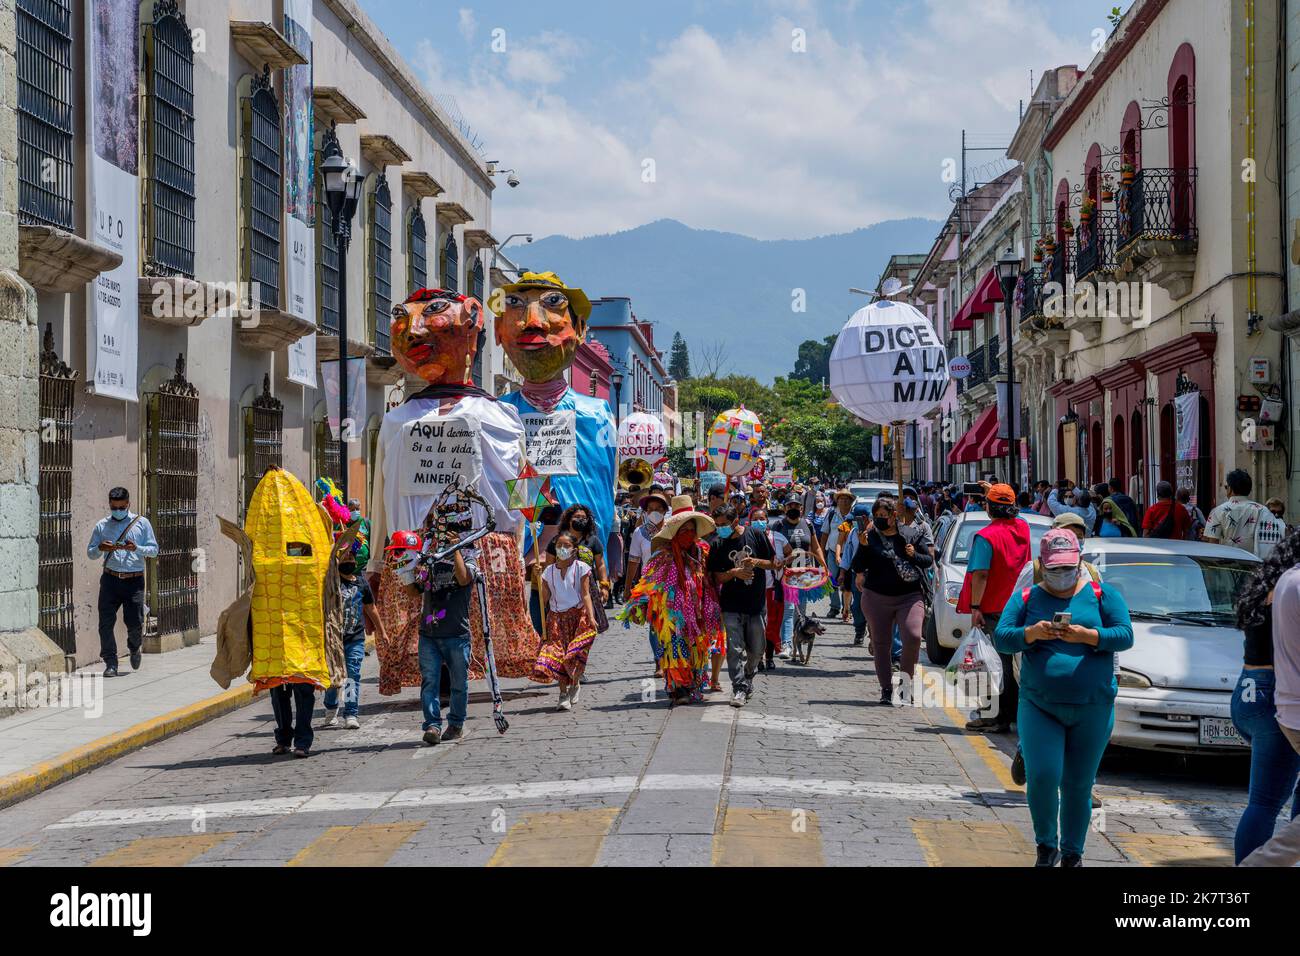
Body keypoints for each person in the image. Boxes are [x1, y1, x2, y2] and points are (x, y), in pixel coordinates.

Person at [994, 529, 1134, 866]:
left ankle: (1073, 853)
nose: (1061, 574)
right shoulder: (1027, 597)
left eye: (1067, 567)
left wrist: (1090, 636)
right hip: (1040, 705)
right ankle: (1046, 846)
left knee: (1078, 785)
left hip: (1093, 707)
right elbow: (1003, 637)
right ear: (1042, 565)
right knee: (1044, 776)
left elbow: (1125, 635)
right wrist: (1032, 633)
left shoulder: (1103, 594)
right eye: (1054, 569)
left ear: (1080, 562)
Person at [1229, 527, 1300, 862]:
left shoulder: (1264, 586)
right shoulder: (1294, 587)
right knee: (1266, 802)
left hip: (1247, 689)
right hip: (1276, 695)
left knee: (1263, 800)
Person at [619, 496, 723, 703]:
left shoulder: (703, 551)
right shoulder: (663, 555)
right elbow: (649, 581)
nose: (688, 534)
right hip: (671, 614)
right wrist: (637, 601)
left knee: (697, 649)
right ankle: (679, 689)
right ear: (675, 531)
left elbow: (711, 577)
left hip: (699, 610)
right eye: (683, 530)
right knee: (675, 649)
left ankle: (692, 683)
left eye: (692, 530)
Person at [956, 483, 1032, 733]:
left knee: (994, 666)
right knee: (1011, 664)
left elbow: (980, 576)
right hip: (1019, 606)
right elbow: (1014, 512)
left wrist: (975, 607)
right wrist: (995, 492)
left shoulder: (986, 537)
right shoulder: (1022, 527)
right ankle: (1009, 713)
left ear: (988, 508)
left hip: (992, 609)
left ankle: (995, 716)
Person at [851, 496, 932, 705]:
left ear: (894, 516)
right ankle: (886, 689)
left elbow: (928, 561)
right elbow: (858, 564)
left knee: (913, 637)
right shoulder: (869, 537)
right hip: (877, 597)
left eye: (883, 516)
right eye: (876, 516)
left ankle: (906, 685)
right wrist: (863, 547)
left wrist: (913, 554)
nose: (879, 519)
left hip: (909, 596)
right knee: (881, 644)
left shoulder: (910, 535)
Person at [409, 530, 477, 746]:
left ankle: (456, 724)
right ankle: (432, 725)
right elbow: (413, 591)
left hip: (457, 632)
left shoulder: (469, 555)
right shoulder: (428, 558)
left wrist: (455, 548)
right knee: (430, 681)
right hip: (428, 633)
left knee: (459, 683)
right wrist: (403, 569)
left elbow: (464, 578)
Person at [707, 506, 777, 707]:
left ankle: (748, 676)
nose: (719, 528)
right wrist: (733, 573)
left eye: (723, 524)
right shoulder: (717, 543)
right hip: (731, 604)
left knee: (757, 649)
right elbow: (714, 577)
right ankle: (738, 688)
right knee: (734, 649)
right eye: (717, 525)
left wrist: (756, 562)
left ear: (736, 521)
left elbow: (774, 563)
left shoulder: (755, 534)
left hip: (755, 604)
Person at [87, 487, 160, 677]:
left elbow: (154, 550)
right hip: (110, 580)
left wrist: (136, 548)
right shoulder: (102, 526)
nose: (117, 510)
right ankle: (110, 662)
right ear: (110, 505)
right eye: (114, 507)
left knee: (134, 622)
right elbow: (91, 552)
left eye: (121, 507)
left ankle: (134, 646)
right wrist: (100, 548)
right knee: (105, 623)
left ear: (128, 504)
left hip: (134, 581)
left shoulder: (142, 524)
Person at [533, 530, 599, 711]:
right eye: (559, 545)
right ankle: (563, 693)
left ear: (574, 549)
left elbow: (585, 594)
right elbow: (544, 599)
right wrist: (538, 580)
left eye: (566, 545)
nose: (562, 548)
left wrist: (591, 617)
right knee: (558, 656)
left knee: (574, 655)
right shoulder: (548, 572)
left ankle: (575, 682)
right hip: (556, 619)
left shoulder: (581, 568)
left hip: (577, 617)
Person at [323, 556, 387, 729]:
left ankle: (351, 713)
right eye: (344, 557)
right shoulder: (330, 582)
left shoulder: (361, 583)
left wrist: (382, 631)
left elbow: (371, 608)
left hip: (355, 638)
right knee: (333, 678)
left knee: (353, 675)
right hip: (333, 640)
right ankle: (331, 707)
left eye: (351, 556)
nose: (348, 560)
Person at [771, 497, 826, 658]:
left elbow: (815, 547)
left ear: (801, 509)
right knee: (788, 610)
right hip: (787, 575)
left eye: (797, 505)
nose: (793, 507)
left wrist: (823, 565)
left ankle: (797, 641)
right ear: (785, 508)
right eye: (790, 505)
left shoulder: (808, 524)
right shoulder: (778, 525)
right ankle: (786, 645)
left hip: (806, 575)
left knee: (801, 612)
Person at [625, 489, 669, 673]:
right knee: (655, 624)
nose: (655, 512)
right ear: (646, 512)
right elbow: (633, 560)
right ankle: (659, 660)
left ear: (665, 510)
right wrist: (628, 588)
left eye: (659, 508)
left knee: (672, 623)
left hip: (672, 582)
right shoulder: (639, 533)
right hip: (649, 584)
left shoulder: (673, 529)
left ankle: (670, 657)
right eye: (651, 509)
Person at [1204, 468, 1267, 553]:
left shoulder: (1217, 511)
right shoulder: (1261, 510)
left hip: (1226, 562)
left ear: (1230, 489)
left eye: (1226, 487)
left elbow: (1212, 544)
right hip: (1254, 562)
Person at [821, 489, 856, 621]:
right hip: (831, 552)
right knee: (832, 580)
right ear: (837, 501)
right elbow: (825, 533)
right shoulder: (831, 514)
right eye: (841, 498)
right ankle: (834, 606)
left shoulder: (854, 516)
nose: (844, 501)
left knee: (847, 582)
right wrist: (822, 553)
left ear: (851, 501)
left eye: (847, 499)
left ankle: (846, 608)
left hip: (850, 554)